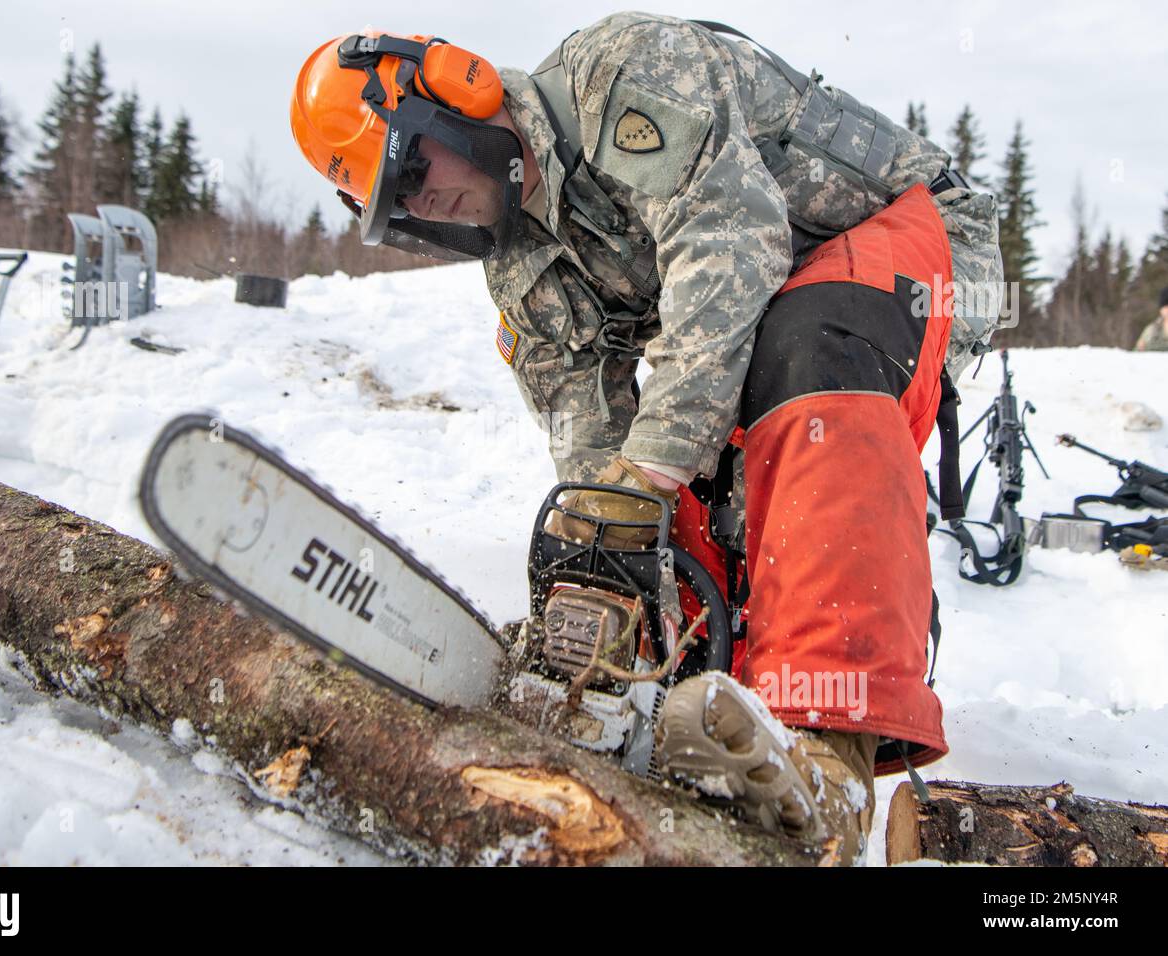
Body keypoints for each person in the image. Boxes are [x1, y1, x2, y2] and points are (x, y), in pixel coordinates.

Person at [290, 12, 1005, 864]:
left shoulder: (623, 76)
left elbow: (730, 247)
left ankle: (832, 765)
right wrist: (599, 569)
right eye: (394, 202)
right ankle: (711, 718)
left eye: (412, 165)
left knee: (800, 353)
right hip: (773, 300)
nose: (421, 199)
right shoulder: (522, 281)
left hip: (919, 242)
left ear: (454, 95)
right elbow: (599, 456)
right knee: (657, 502)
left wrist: (653, 465)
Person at [1134, 287, 1168, 351]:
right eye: (1166, 306)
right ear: (1161, 309)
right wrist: (1140, 348)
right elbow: (1135, 354)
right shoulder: (1151, 330)